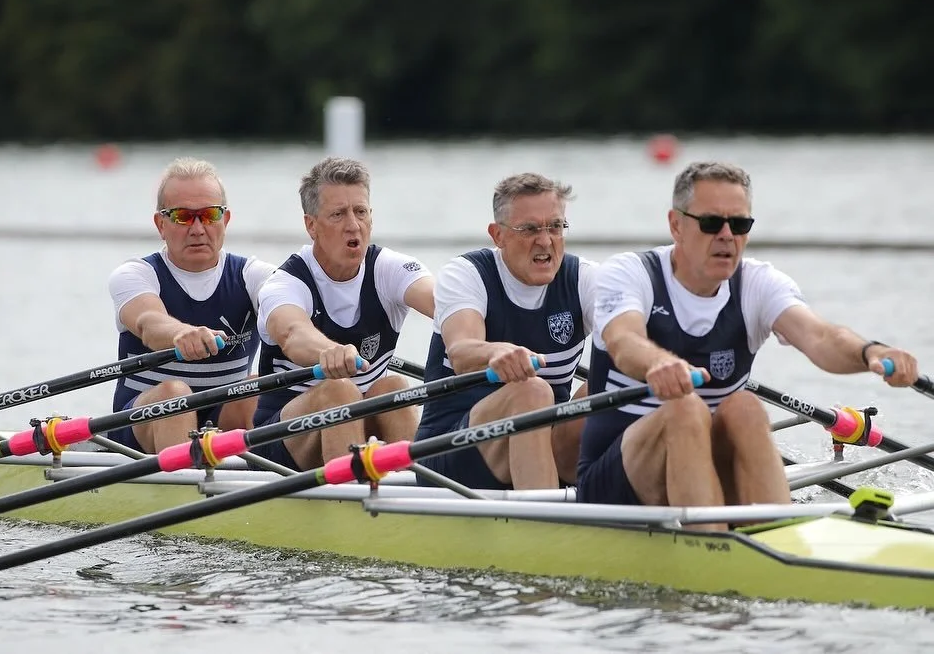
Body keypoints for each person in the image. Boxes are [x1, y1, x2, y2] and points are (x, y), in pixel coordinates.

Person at [577, 161, 919, 529]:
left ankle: (778, 536)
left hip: (699, 472)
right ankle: (712, 549)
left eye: (739, 224)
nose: (727, 235)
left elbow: (821, 336)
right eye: (711, 223)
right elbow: (623, 340)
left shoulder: (758, 282)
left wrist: (872, 351)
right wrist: (656, 364)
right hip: (615, 486)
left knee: (744, 406)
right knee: (685, 409)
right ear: (676, 225)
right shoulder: (631, 273)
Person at [413, 172, 597, 491]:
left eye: (555, 226)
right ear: (498, 235)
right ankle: (543, 529)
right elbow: (462, 351)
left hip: (544, 443)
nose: (545, 240)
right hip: (450, 455)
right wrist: (496, 352)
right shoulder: (467, 274)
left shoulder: (585, 278)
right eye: (529, 229)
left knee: (609, 379)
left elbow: (628, 337)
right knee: (532, 390)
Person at [249, 156, 435, 471]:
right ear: (311, 225)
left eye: (360, 212)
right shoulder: (285, 284)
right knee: (339, 389)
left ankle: (419, 493)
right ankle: (347, 505)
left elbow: (446, 305)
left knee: (394, 389)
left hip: (358, 425)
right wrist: (329, 352)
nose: (353, 224)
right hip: (280, 446)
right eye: (338, 214)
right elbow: (293, 333)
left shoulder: (391, 269)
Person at [106, 157, 275, 453]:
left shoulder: (256, 275)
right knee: (175, 394)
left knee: (257, 387)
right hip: (141, 423)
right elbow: (148, 321)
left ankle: (264, 481)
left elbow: (291, 315)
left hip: (223, 417)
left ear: (226, 220)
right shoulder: (135, 274)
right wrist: (179, 335)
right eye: (183, 216)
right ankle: (184, 487)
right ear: (161, 224)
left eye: (209, 215)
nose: (198, 228)